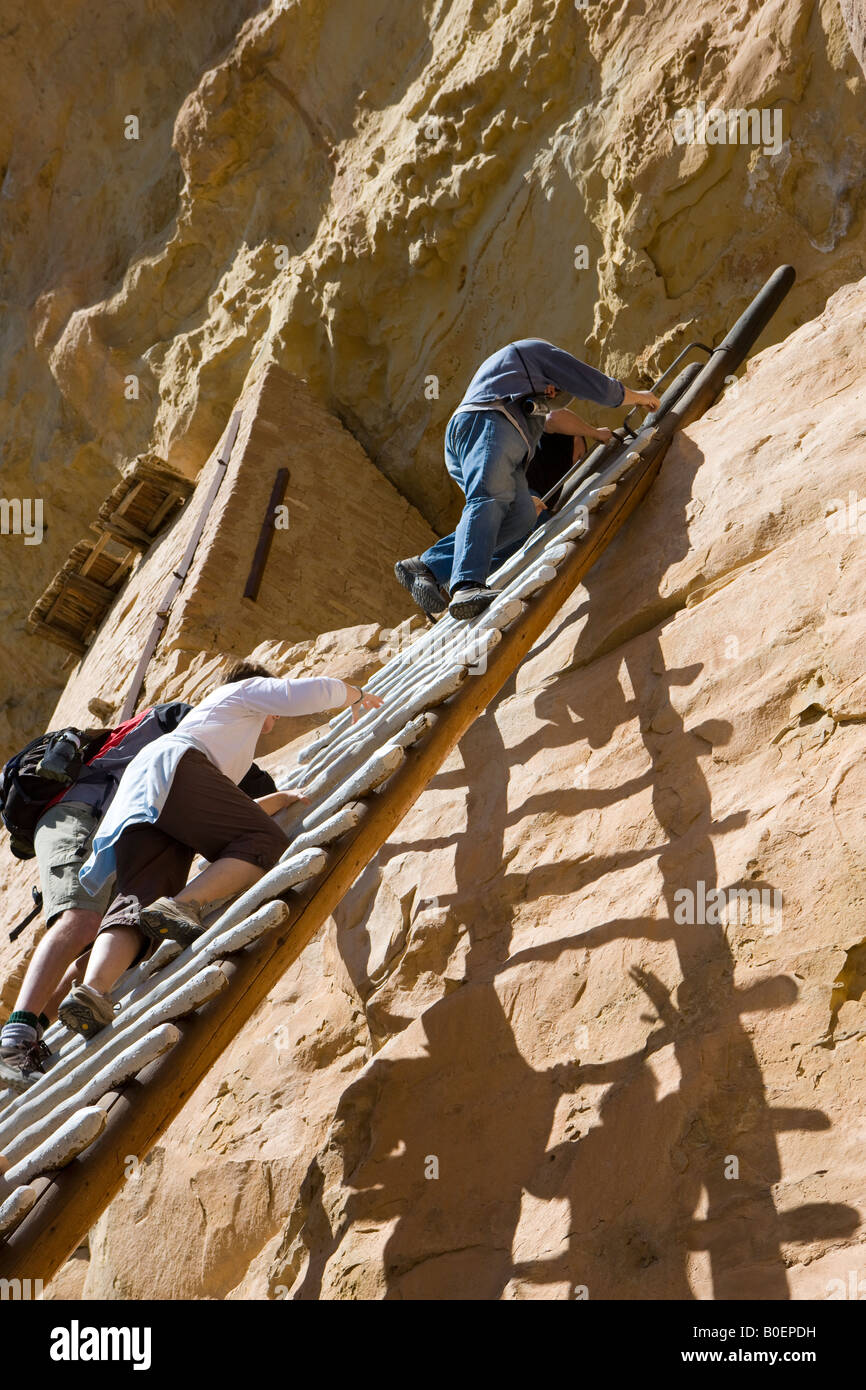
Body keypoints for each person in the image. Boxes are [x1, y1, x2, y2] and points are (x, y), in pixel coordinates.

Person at [57, 664, 383, 1038]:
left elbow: (211, 811)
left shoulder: (218, 730)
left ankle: (92, 992)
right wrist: (354, 694)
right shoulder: (243, 692)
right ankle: (184, 904)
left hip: (144, 791)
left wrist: (275, 799)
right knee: (265, 844)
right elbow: (300, 694)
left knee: (138, 898)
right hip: (173, 768)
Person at [0, 701, 281, 1092]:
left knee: (107, 934)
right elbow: (232, 770)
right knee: (80, 920)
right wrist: (273, 795)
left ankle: (32, 1042)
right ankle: (14, 1041)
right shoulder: (187, 718)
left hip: (118, 828)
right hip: (79, 810)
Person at [395, 339, 661, 620]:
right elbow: (598, 387)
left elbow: (545, 416)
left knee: (521, 518)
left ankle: (428, 567)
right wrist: (639, 397)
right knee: (490, 496)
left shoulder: (527, 395)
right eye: (554, 390)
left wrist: (520, 490)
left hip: (489, 438)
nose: (552, 394)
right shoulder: (535, 354)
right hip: (488, 421)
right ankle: (467, 585)